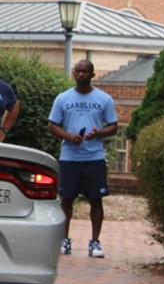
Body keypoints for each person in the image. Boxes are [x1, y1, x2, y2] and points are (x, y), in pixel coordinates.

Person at [47, 59, 119, 259]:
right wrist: (69, 136)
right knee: (66, 199)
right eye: (77, 71)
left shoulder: (104, 99)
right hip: (69, 157)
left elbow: (114, 126)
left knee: (96, 200)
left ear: (92, 74)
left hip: (94, 157)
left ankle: (95, 242)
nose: (81, 75)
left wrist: (98, 133)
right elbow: (52, 125)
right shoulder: (63, 98)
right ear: (73, 73)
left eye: (85, 72)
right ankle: (64, 239)